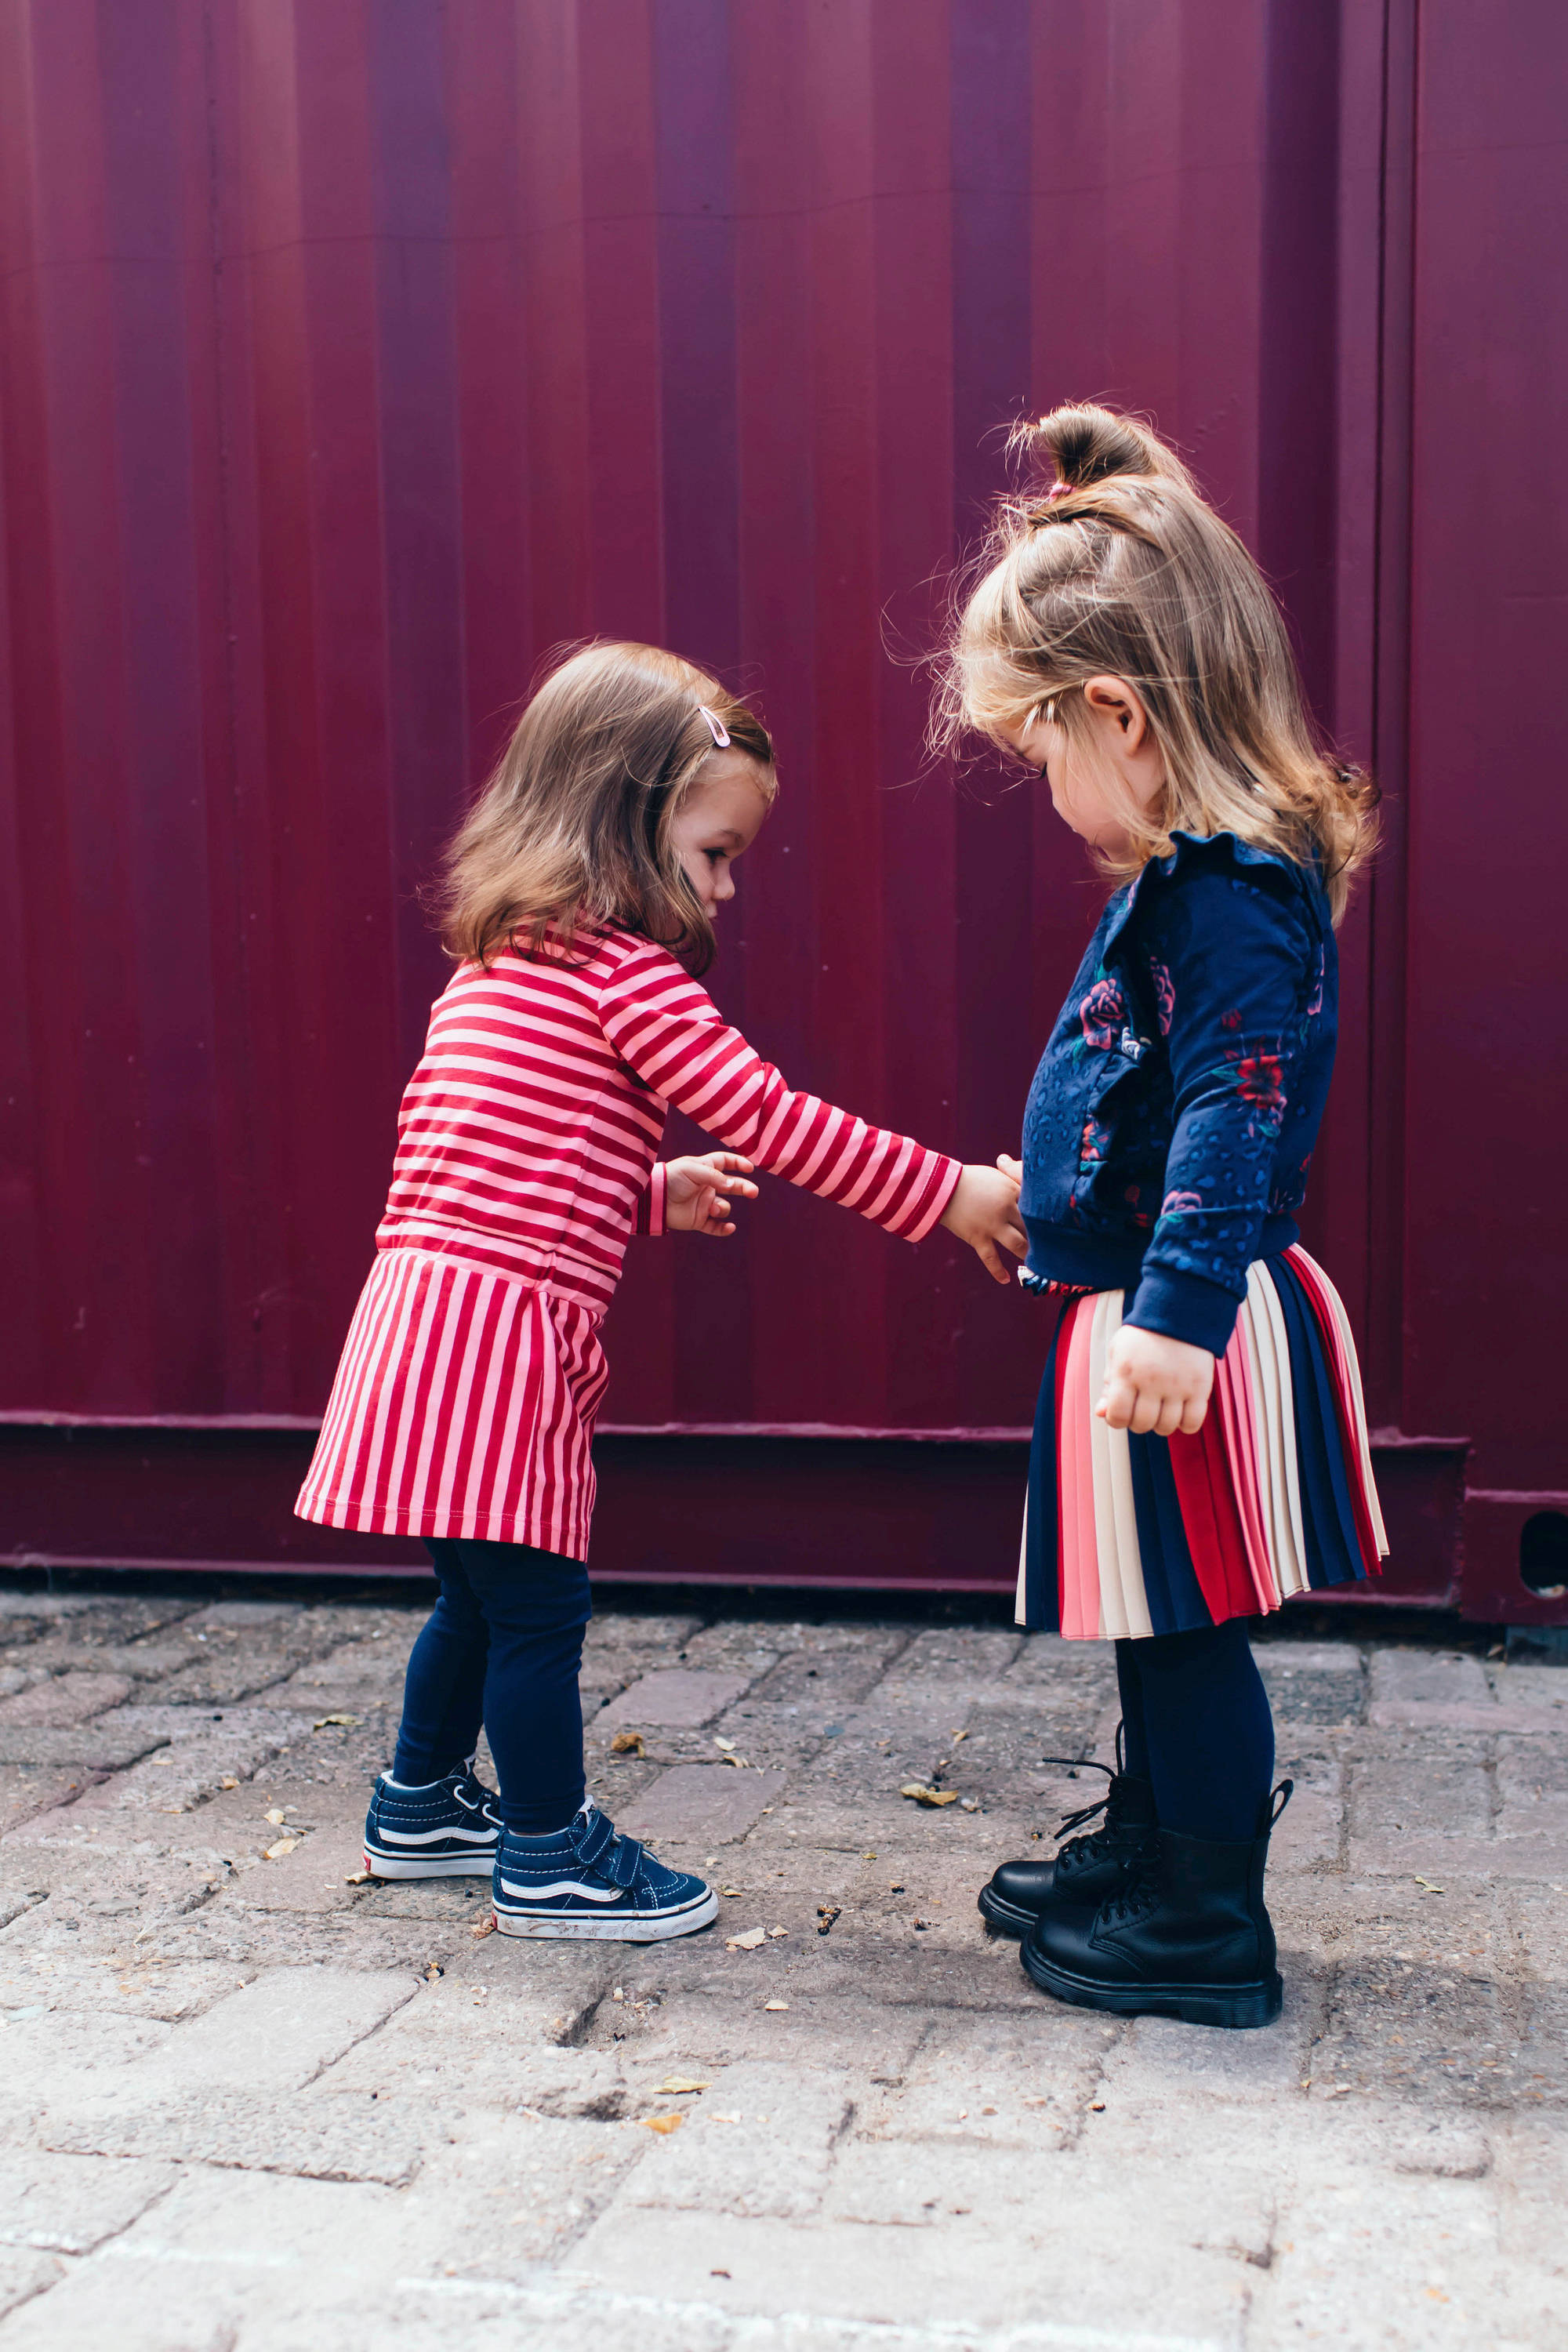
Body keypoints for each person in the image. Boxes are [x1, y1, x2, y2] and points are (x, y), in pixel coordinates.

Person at [296, 641, 1025, 1942]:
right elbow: (774, 1114)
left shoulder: (496, 970)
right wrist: (950, 1194)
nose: (728, 888)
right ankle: (550, 1855)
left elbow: (477, 1163)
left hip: (424, 1319)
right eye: (714, 852)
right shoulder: (626, 975)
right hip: (500, 1344)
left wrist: (646, 1188)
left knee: (475, 1595)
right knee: (537, 1608)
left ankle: (417, 1806)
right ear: (625, 823)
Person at [936, 404, 1386, 2028]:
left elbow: (1237, 1105)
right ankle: (1153, 1842)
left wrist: (1176, 1313)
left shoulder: (1227, 891)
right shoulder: (1192, 877)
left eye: (1032, 749)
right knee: (1152, 1618)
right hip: (1135, 1295)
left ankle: (1206, 1917)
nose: (1038, 785)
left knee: (1186, 1627)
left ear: (1115, 714)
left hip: (1176, 1313)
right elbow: (1154, 1084)